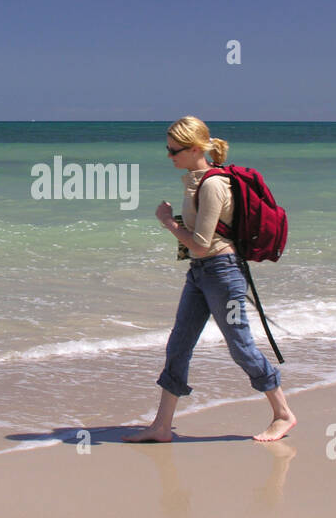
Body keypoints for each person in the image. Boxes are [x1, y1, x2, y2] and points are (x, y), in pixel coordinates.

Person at [125, 116, 297, 443]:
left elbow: (202, 242)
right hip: (200, 274)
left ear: (192, 149)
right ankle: (162, 426)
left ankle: (283, 414)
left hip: (224, 274)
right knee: (178, 345)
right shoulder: (194, 179)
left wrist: (166, 222)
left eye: (173, 150)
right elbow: (196, 242)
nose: (169, 156)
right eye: (167, 149)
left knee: (241, 347)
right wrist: (180, 230)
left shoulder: (214, 184)